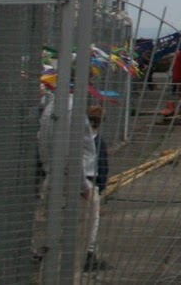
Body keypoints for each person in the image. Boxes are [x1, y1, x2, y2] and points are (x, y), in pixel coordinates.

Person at [82, 103, 109, 272]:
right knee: (93, 221)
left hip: (74, 181)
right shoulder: (98, 142)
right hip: (91, 182)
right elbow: (103, 166)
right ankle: (89, 254)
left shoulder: (76, 137)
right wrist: (102, 185)